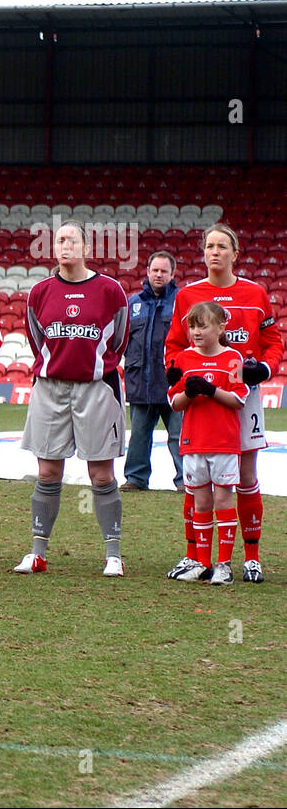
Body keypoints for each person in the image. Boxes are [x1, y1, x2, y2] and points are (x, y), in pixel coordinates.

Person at [164, 223, 282, 584]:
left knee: (245, 476)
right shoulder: (188, 295)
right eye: (209, 246)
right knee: (195, 473)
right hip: (200, 398)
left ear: (235, 253)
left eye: (221, 246)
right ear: (203, 252)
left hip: (242, 396)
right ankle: (194, 557)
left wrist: (263, 368)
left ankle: (251, 557)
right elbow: (174, 346)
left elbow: (273, 340)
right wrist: (179, 376)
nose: (214, 252)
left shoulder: (255, 292)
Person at [13, 221, 129, 576]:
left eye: (71, 240)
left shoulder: (111, 291)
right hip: (50, 388)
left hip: (97, 388)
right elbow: (38, 340)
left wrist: (93, 368)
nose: (65, 245)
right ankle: (37, 553)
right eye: (59, 240)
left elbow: (119, 340)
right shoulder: (39, 292)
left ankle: (113, 554)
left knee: (101, 473)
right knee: (47, 471)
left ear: (86, 247)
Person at [166, 301, 248, 586]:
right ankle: (202, 563)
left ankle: (224, 566)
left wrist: (211, 390)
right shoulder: (184, 358)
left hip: (223, 442)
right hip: (193, 442)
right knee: (201, 503)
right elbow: (175, 403)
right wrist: (188, 393)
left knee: (224, 500)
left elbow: (238, 400)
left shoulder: (233, 358)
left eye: (203, 326)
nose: (196, 332)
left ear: (221, 327)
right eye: (192, 326)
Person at [121, 250, 182, 491]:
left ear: (172, 274)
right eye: (155, 270)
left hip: (173, 384)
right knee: (138, 436)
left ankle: (186, 480)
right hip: (140, 383)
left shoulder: (182, 301)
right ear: (147, 272)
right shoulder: (132, 304)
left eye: (163, 271)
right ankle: (135, 479)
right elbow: (121, 341)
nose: (159, 275)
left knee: (179, 436)